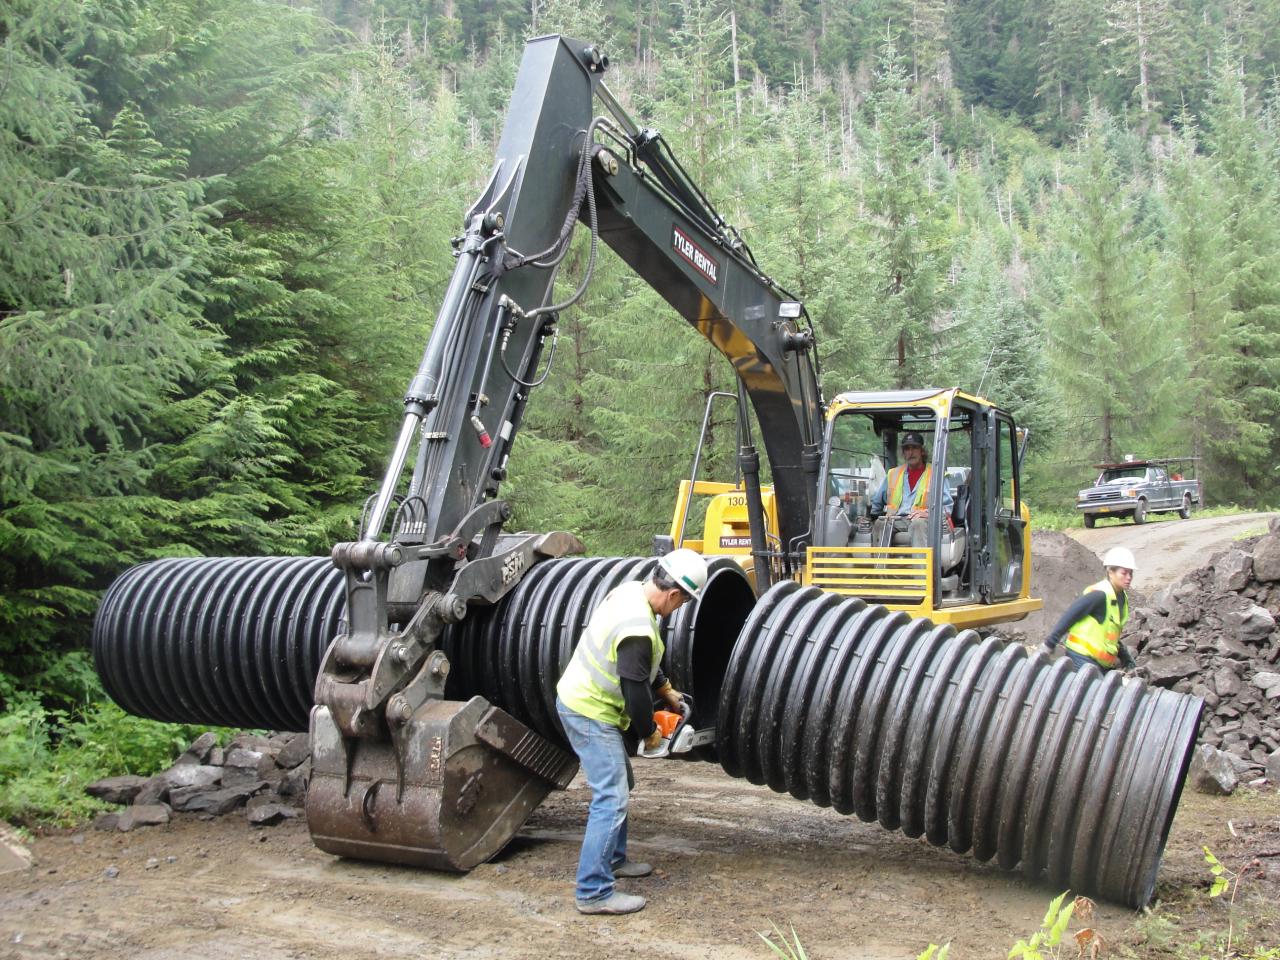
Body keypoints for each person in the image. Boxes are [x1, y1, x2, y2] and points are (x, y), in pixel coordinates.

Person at [555, 548, 708, 916]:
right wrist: (650, 732)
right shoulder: (638, 626)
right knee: (612, 797)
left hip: (586, 702)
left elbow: (640, 665)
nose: (679, 607)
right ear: (674, 594)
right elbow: (634, 689)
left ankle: (614, 860)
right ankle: (593, 891)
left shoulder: (632, 593)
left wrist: (667, 689)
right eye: (683, 601)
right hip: (589, 711)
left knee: (621, 785)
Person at [1041, 546, 1138, 671]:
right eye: (1124, 573)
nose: (1129, 577)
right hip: (1081, 657)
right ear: (1110, 572)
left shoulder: (1121, 597)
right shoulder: (1099, 594)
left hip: (1099, 662)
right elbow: (1071, 615)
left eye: (1131, 573)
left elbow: (1109, 633)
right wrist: (1050, 643)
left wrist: (1125, 657)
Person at [869, 431, 953, 547]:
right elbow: (876, 503)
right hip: (897, 519)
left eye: (915, 448)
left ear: (922, 451)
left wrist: (927, 513)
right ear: (903, 453)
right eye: (907, 449)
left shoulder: (936, 474)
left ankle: (921, 565)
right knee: (880, 523)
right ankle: (881, 565)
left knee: (917, 524)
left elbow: (946, 508)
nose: (911, 452)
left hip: (925, 521)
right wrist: (872, 515)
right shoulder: (893, 474)